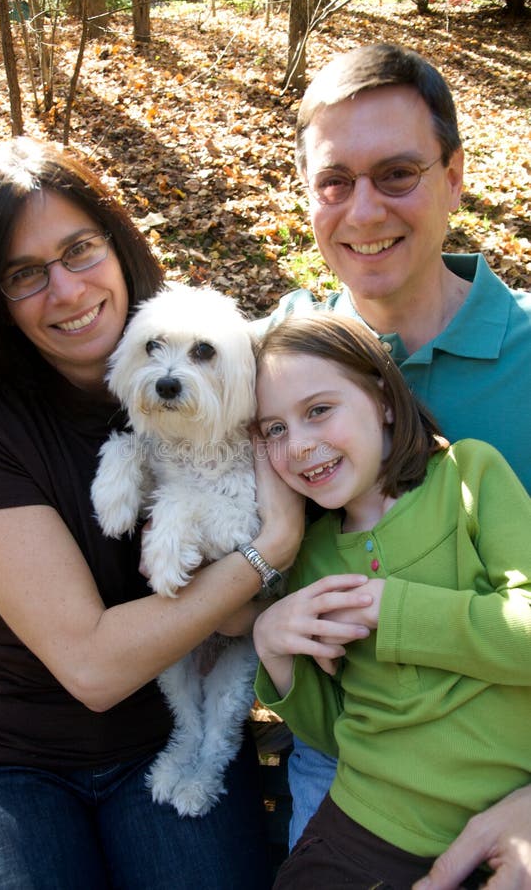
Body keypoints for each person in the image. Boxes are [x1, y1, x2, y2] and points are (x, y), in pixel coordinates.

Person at [0, 136, 304, 890]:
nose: (65, 292)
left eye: (79, 250)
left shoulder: (225, 368)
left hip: (169, 733)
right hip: (5, 754)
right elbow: (94, 668)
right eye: (23, 275)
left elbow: (342, 366)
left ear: (118, 246)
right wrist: (273, 548)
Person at [257, 41, 531, 884]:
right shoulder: (270, 361)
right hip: (351, 771)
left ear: (454, 175)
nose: (363, 211)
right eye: (335, 182)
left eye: (398, 174)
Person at [252, 311, 531, 888]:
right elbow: (333, 732)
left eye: (318, 410)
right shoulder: (312, 557)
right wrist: (273, 650)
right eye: (274, 430)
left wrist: (394, 609)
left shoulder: (468, 476)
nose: (300, 445)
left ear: (381, 397)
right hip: (362, 827)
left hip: (506, 822)